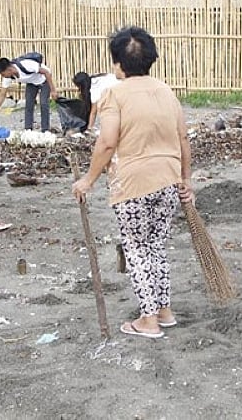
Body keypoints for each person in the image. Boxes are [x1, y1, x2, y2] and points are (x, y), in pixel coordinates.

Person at [71, 26, 194, 339]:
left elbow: (107, 142)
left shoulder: (115, 94)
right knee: (156, 246)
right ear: (151, 59)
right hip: (168, 180)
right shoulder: (167, 92)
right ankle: (164, 311)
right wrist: (185, 180)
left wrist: (88, 179)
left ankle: (148, 320)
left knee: (137, 249)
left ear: (117, 64)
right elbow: (182, 139)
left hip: (133, 184)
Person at [0, 54, 59, 132]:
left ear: (8, 69)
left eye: (3, 74)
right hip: (31, 82)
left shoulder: (26, 65)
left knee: (44, 103)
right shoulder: (8, 77)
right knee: (28, 104)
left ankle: (45, 130)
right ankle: (28, 130)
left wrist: (53, 90)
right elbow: (2, 95)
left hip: (44, 80)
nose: (3, 76)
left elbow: (46, 72)